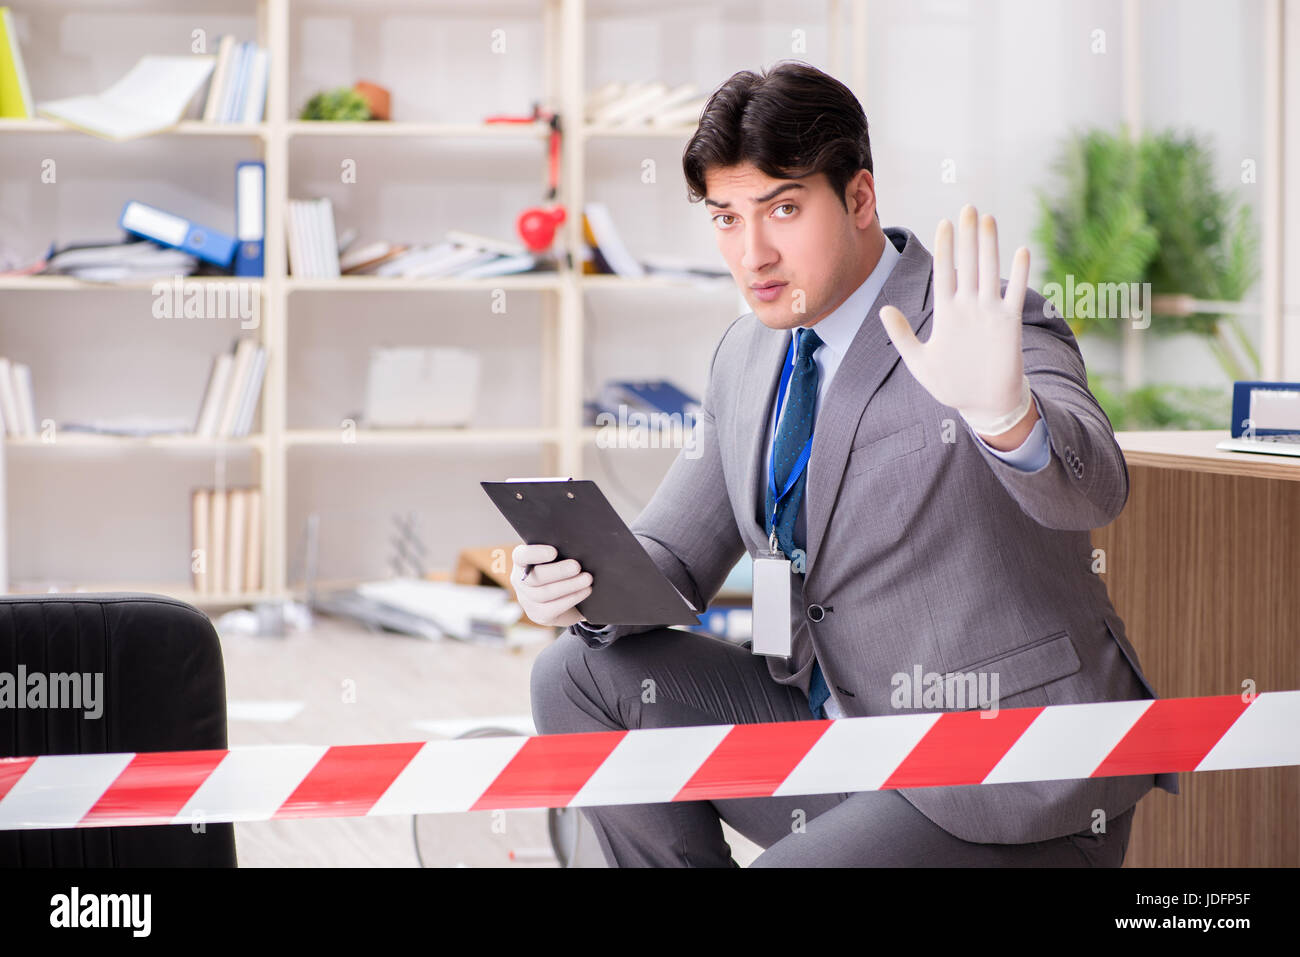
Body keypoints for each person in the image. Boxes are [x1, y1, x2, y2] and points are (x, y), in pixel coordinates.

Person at [517, 60, 1177, 867]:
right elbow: (676, 557)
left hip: (1001, 762)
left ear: (859, 197)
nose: (751, 252)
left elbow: (1094, 489)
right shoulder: (746, 354)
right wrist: (580, 580)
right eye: (726, 218)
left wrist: (1005, 415)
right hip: (845, 742)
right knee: (573, 673)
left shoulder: (976, 317)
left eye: (783, 209)